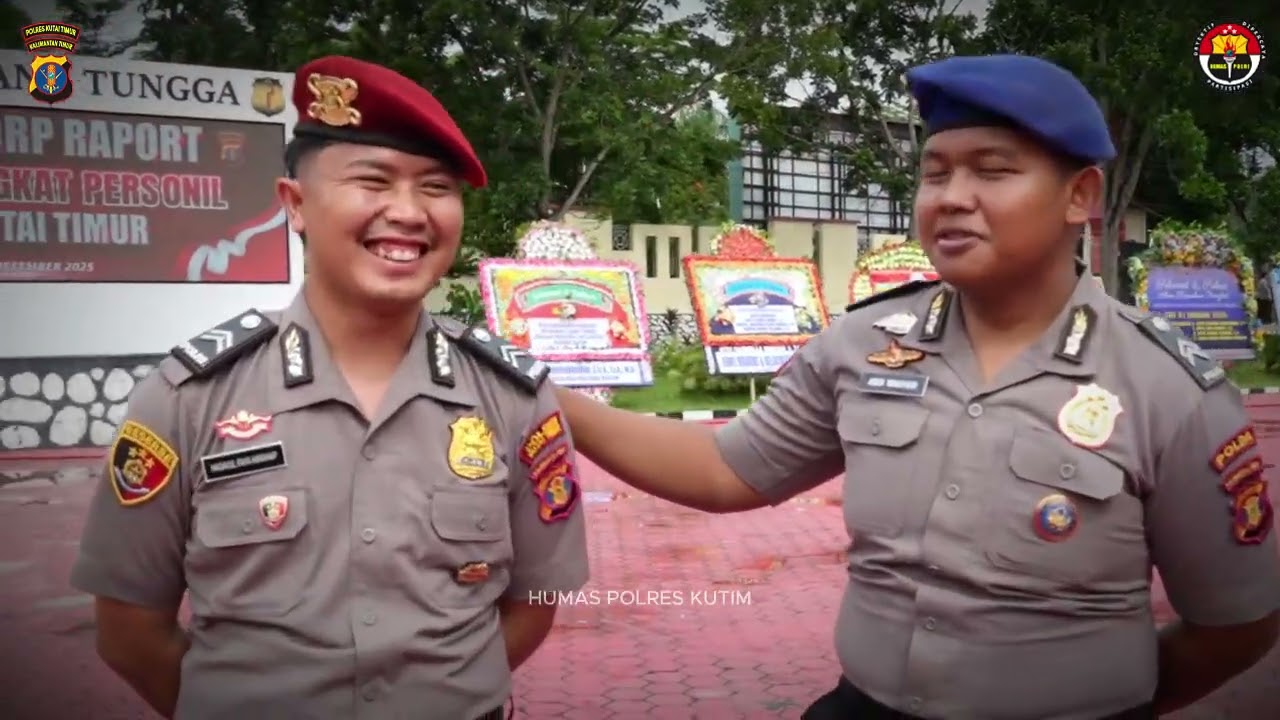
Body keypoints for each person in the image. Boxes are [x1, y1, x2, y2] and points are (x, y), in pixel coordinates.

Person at [554, 54, 1280, 719]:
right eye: (935, 173)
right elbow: (723, 469)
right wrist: (553, 403)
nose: (951, 198)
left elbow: (1237, 620)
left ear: (1079, 196)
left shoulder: (1166, 386)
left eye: (991, 171)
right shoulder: (864, 344)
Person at [70, 56, 588, 720]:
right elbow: (130, 630)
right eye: (372, 181)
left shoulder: (513, 398)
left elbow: (534, 605)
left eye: (436, 187)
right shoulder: (190, 396)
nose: (407, 212)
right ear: (296, 204)